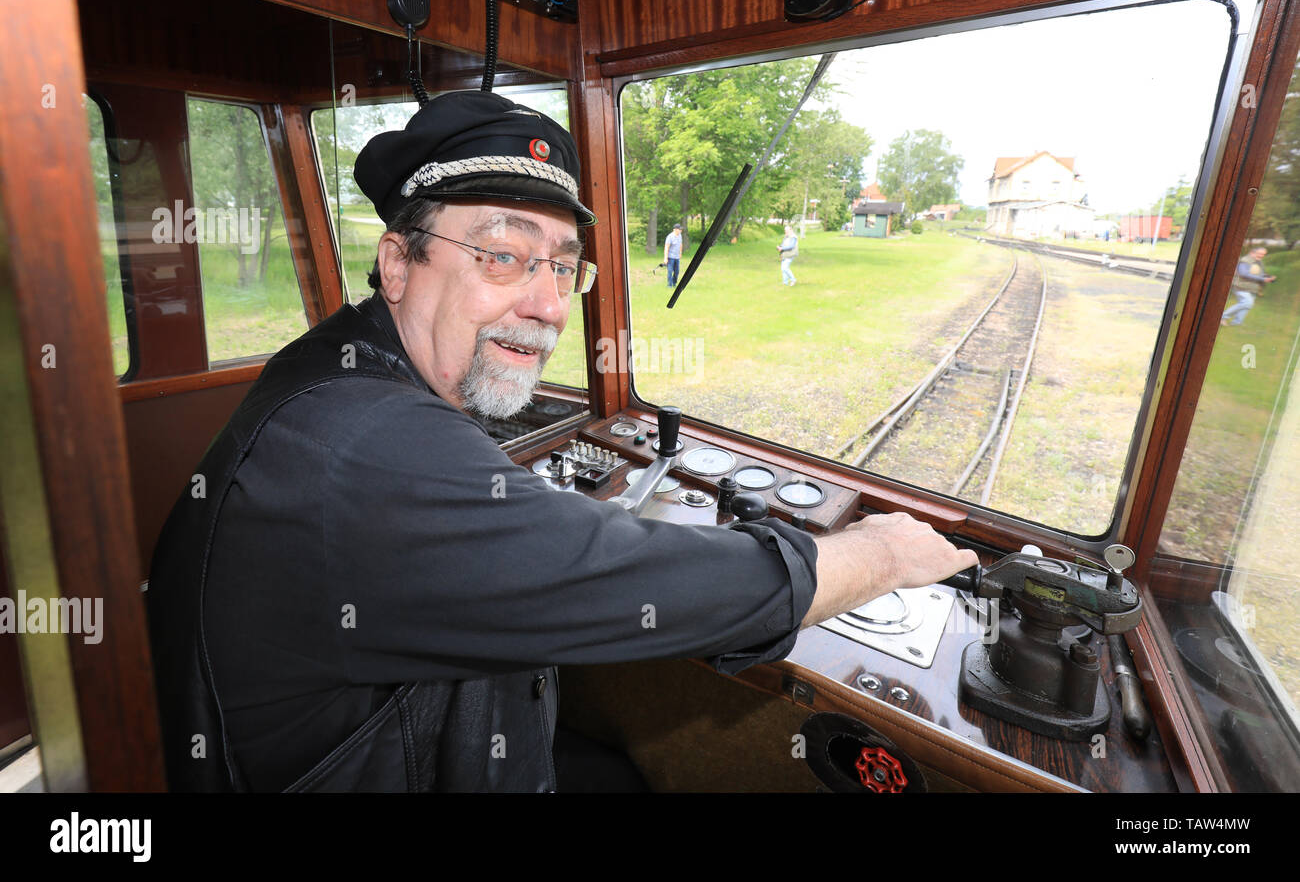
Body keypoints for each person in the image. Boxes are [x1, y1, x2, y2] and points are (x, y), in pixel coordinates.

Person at [146, 89, 974, 792]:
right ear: (398, 263)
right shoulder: (362, 443)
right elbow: (635, 582)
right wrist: (883, 555)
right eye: (504, 256)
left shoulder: (351, 363)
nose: (548, 305)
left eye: (563, 266)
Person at [1222, 246, 1276, 325]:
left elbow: (1259, 274)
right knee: (1246, 303)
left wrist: (1268, 277)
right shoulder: (1245, 261)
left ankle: (1237, 322)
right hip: (1241, 286)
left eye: (1263, 254)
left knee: (1248, 305)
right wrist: (1262, 279)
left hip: (1252, 288)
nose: (1261, 256)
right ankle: (1223, 317)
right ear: (1252, 253)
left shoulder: (1258, 262)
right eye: (1259, 254)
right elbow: (1244, 274)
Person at [663, 222, 683, 287]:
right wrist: (665, 258)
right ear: (675, 229)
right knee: (670, 271)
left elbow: (680, 244)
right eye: (679, 229)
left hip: (677, 257)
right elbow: (666, 247)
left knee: (677, 271)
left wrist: (680, 253)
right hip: (670, 257)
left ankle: (674, 283)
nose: (681, 230)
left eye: (681, 229)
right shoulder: (670, 237)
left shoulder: (680, 235)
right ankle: (669, 285)